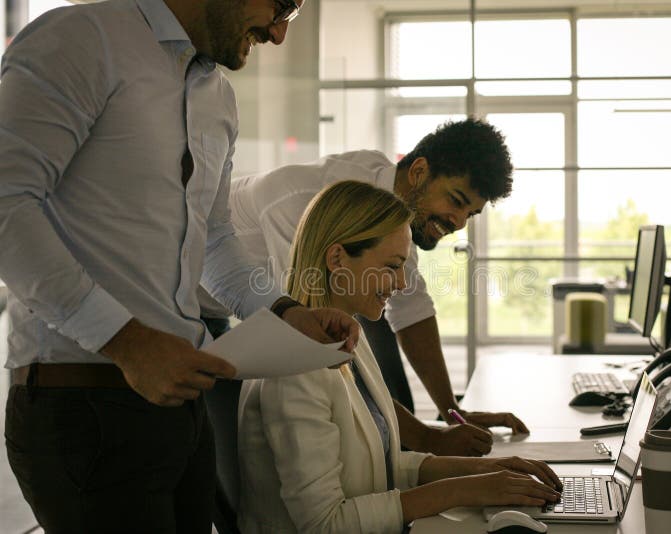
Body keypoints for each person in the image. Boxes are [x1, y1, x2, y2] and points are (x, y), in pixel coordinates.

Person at [0, 0, 358, 532]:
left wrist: (284, 312)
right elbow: (7, 201)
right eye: (281, 5)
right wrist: (128, 341)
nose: (280, 34)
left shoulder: (217, 96)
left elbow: (214, 241)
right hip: (82, 401)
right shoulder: (83, 38)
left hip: (181, 402)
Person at [238, 181, 562, 533]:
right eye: (392, 266)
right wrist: (464, 489)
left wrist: (487, 472)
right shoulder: (295, 367)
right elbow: (325, 524)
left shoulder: (349, 337)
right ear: (337, 259)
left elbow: (381, 464)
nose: (402, 283)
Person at [211, 118, 528, 456]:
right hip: (186, 302)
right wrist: (428, 439)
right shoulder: (307, 202)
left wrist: (453, 413)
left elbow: (412, 312)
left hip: (238, 307)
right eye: (456, 200)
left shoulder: (391, 213)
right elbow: (313, 340)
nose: (459, 222)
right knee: (215, 453)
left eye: (472, 214)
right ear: (419, 171)